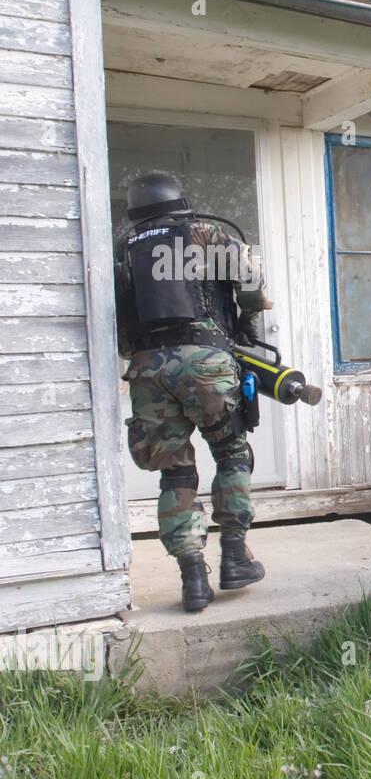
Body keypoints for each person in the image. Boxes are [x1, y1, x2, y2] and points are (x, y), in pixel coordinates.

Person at [114, 172, 271, 612]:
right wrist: (248, 324)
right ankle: (236, 557)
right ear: (179, 201)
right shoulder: (206, 234)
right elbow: (252, 282)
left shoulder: (123, 248)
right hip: (206, 364)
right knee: (231, 452)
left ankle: (192, 580)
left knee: (176, 473)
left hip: (146, 370)